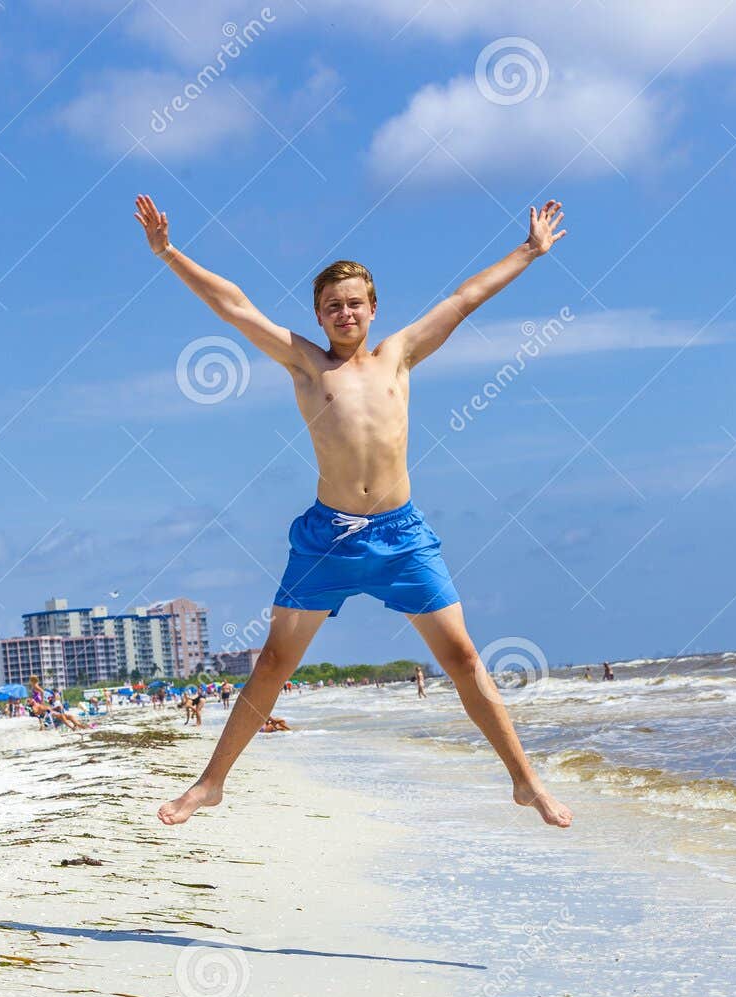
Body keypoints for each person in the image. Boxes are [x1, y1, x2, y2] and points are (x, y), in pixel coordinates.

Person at [136, 193, 573, 831]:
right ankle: (210, 784)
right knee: (272, 663)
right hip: (328, 540)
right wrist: (169, 252)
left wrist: (530, 252)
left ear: (373, 309)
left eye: (354, 303)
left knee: (464, 659)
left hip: (401, 538)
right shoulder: (306, 364)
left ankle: (526, 783)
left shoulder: (398, 355)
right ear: (319, 314)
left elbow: (464, 298)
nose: (344, 313)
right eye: (332, 306)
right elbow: (234, 306)